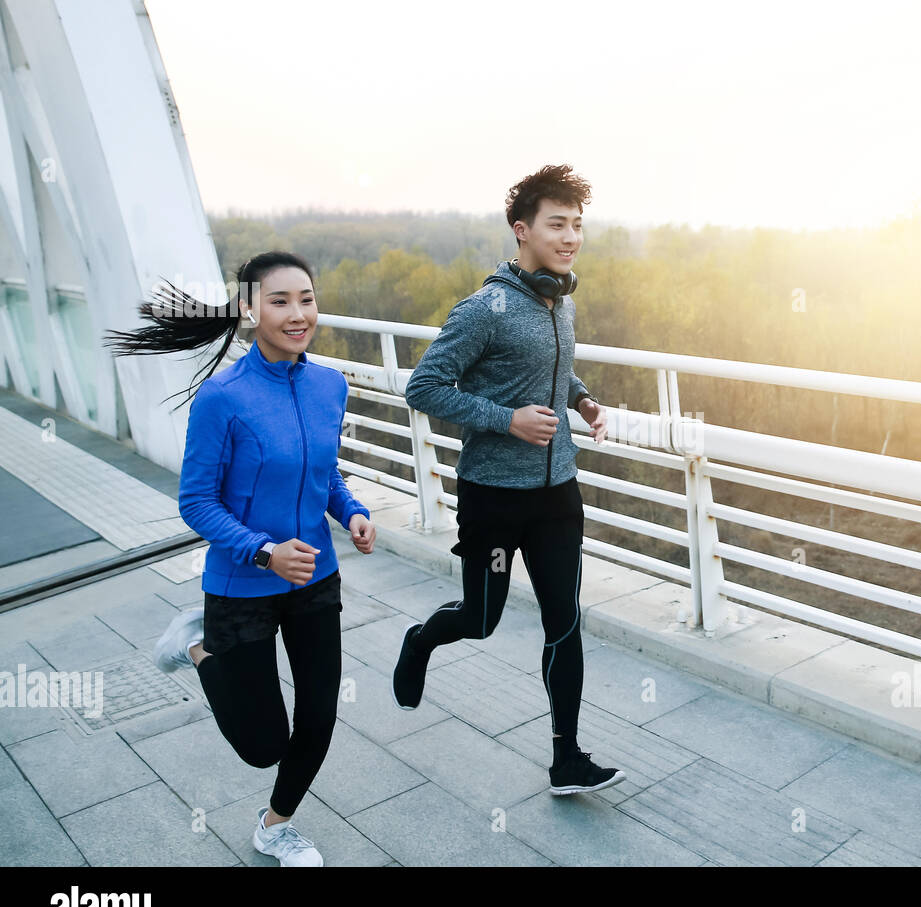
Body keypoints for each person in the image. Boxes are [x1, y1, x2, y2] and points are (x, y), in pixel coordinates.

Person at [105, 251, 376, 866]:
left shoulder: (330, 385)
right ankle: (198, 644)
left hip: (315, 578)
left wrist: (352, 512)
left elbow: (323, 474)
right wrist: (263, 552)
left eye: (306, 298)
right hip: (241, 583)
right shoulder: (222, 397)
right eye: (279, 301)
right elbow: (195, 502)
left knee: (320, 716)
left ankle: (275, 827)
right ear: (250, 310)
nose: (297, 313)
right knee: (262, 744)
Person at [396, 165, 625, 796]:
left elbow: (552, 372)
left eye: (578, 224)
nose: (571, 235)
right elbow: (424, 387)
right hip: (494, 498)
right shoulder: (485, 308)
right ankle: (420, 641)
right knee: (481, 616)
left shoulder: (562, 299)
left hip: (557, 496)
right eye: (558, 223)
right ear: (522, 230)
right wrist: (507, 421)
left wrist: (582, 402)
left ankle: (566, 759)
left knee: (565, 622)